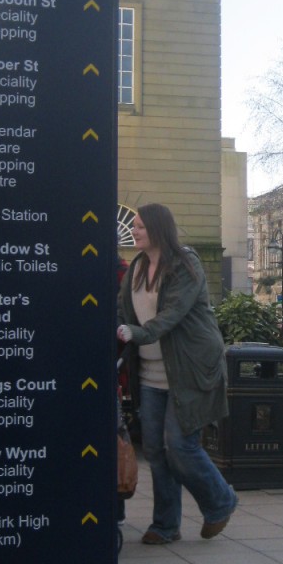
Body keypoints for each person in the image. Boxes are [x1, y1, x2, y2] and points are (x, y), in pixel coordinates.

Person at [117, 204, 238, 545]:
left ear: (158, 228)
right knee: (155, 449)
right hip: (150, 372)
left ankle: (221, 501)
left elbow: (171, 315)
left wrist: (136, 333)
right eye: (134, 226)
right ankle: (166, 525)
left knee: (181, 447)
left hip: (190, 370)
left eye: (140, 226)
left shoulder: (186, 264)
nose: (134, 231)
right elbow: (122, 310)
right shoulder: (137, 267)